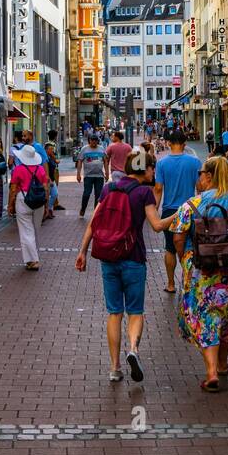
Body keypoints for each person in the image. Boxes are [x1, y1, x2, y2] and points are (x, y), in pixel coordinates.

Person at [75, 147, 176, 383]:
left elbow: (94, 221)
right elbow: (157, 225)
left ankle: (114, 367)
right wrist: (181, 211)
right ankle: (133, 349)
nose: (154, 172)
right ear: (145, 169)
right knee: (135, 311)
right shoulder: (144, 193)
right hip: (133, 258)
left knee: (114, 313)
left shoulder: (109, 188)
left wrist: (82, 251)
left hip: (108, 258)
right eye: (152, 168)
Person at [171, 155, 228, 391]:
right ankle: (222, 363)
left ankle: (210, 371)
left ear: (208, 176)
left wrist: (184, 257)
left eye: (200, 173)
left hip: (201, 269)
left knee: (206, 316)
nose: (198, 177)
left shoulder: (191, 205)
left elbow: (178, 235)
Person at [153, 129, 201, 295]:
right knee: (190, 247)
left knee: (170, 248)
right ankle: (189, 281)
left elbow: (158, 189)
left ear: (168, 143)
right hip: (190, 210)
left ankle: (171, 283)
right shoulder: (195, 162)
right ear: (185, 144)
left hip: (169, 211)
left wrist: (154, 209)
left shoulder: (162, 163)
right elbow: (200, 188)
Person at [7, 142, 50, 270]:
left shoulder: (18, 170)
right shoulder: (40, 169)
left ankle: (32, 260)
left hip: (23, 199)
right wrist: (47, 205)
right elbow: (45, 188)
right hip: (39, 200)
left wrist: (10, 204)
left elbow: (13, 189)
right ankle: (33, 258)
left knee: (26, 231)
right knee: (35, 230)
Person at [76, 133, 107, 217]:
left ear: (97, 141)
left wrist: (107, 173)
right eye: (92, 140)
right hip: (88, 176)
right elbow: (79, 161)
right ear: (89, 140)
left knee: (98, 195)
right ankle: (83, 208)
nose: (93, 142)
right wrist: (78, 174)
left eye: (95, 140)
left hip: (99, 176)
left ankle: (95, 212)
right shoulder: (84, 149)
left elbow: (105, 161)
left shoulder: (101, 149)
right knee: (86, 193)